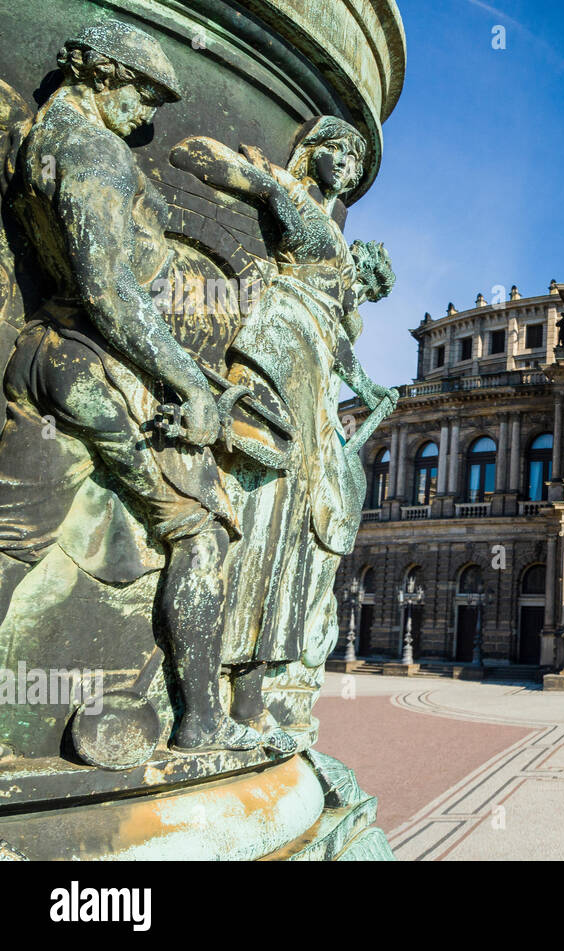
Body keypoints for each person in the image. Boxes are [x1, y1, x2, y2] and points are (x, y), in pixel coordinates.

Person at [0, 21, 260, 752]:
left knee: (12, 538)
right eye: (142, 94)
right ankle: (204, 718)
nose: (146, 116)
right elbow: (109, 286)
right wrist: (192, 386)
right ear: (101, 73)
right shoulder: (94, 152)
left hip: (40, 353)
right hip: (100, 363)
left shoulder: (38, 136)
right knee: (200, 528)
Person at [170, 117, 397, 736]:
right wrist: (209, 160)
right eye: (339, 154)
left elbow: (341, 339)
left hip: (314, 363)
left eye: (357, 160)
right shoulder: (290, 197)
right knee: (262, 509)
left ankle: (252, 679)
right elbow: (203, 158)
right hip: (278, 350)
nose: (348, 168)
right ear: (313, 153)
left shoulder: (338, 247)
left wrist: (372, 388)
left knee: (293, 527)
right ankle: (221, 672)